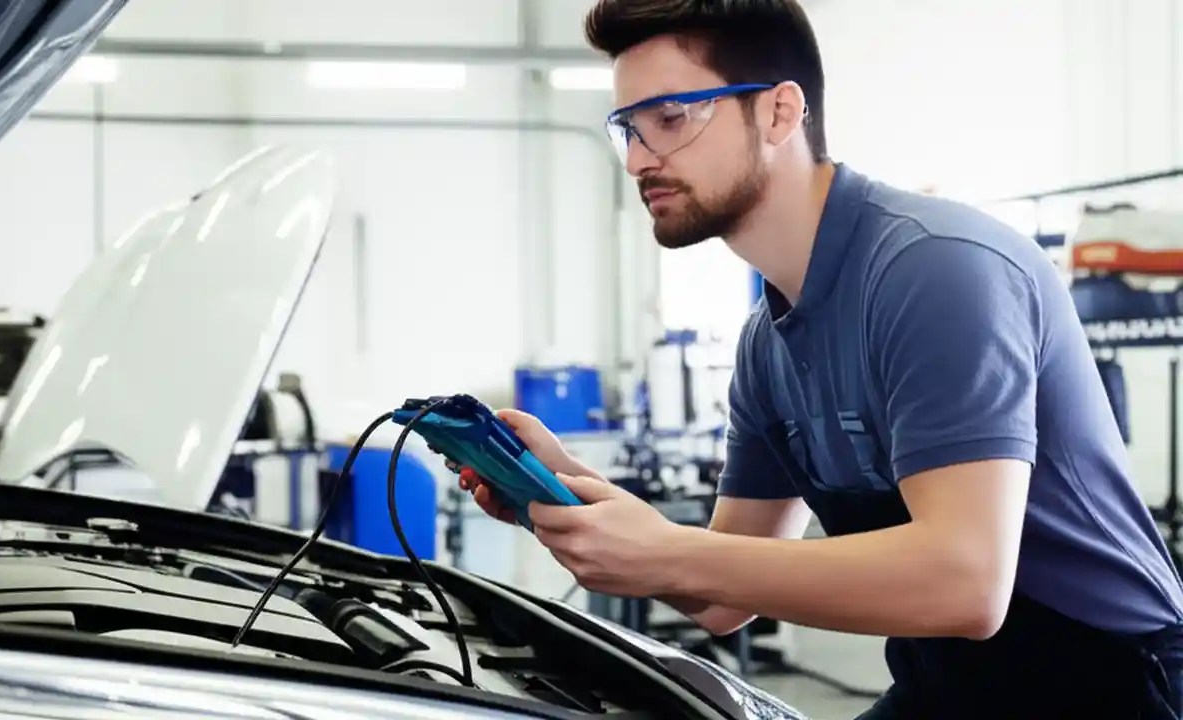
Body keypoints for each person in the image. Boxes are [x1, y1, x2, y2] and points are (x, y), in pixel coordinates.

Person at [455, 1, 1183, 718]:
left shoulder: (936, 270)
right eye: (628, 130)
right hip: (955, 684)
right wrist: (561, 491)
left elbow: (966, 582)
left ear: (779, 112)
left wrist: (667, 552)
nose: (641, 159)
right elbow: (724, 599)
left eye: (670, 118)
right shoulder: (766, 343)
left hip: (1117, 688)